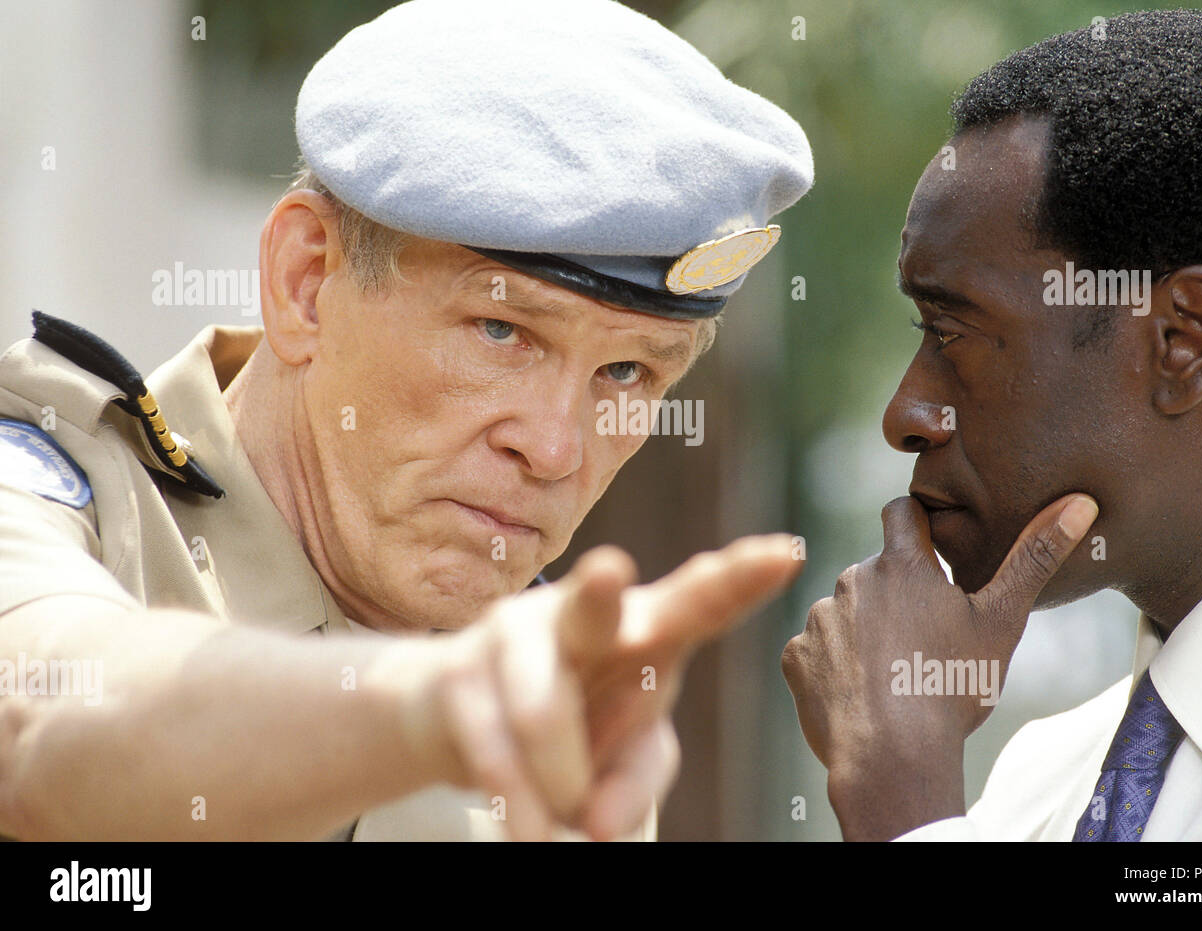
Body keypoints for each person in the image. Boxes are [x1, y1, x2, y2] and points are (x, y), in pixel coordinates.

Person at [0, 0, 812, 841]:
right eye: (503, 330)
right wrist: (437, 711)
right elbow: (39, 724)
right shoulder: (53, 502)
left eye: (626, 370)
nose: (555, 447)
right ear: (306, 283)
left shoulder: (560, 717)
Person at [782, 9, 1202, 841]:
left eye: (952, 334)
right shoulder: (1046, 774)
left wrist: (899, 794)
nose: (904, 416)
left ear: (1183, 340)